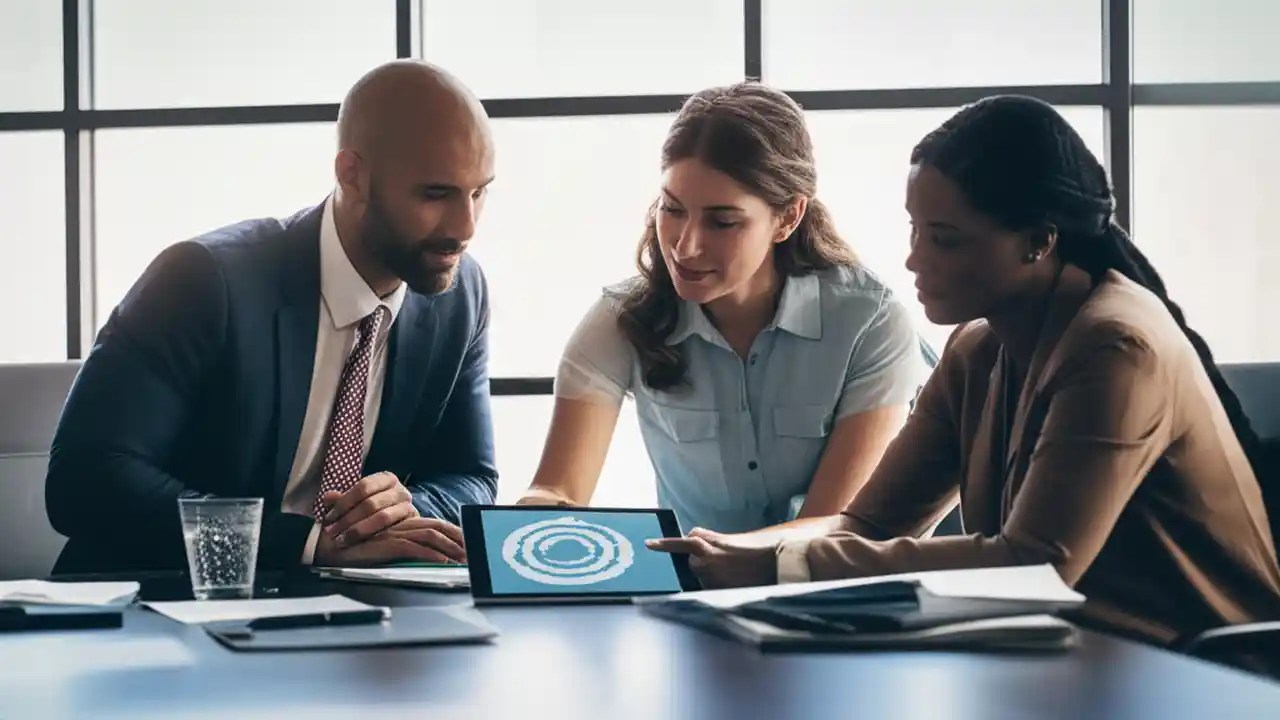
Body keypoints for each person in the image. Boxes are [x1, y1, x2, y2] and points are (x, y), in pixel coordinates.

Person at [649, 95, 1280, 645]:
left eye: (945, 239)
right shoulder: (976, 349)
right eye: (915, 229)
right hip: (1065, 654)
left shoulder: (1116, 347)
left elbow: (1034, 565)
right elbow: (867, 523)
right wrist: (734, 549)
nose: (914, 259)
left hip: (1203, 667)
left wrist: (782, 567)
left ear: (1038, 241)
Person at [46, 60, 498, 573]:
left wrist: (396, 514)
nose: (465, 226)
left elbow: (472, 476)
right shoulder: (204, 280)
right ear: (352, 175)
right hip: (161, 606)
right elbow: (84, 482)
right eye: (436, 194)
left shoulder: (462, 294)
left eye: (479, 191)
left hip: (356, 616)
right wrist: (305, 544)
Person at [518, 82, 928, 535]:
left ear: (788, 217)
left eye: (723, 221)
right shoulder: (622, 320)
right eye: (672, 210)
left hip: (826, 589)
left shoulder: (869, 323)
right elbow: (559, 490)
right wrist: (513, 528)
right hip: (695, 592)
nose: (685, 246)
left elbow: (832, 527)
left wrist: (724, 557)